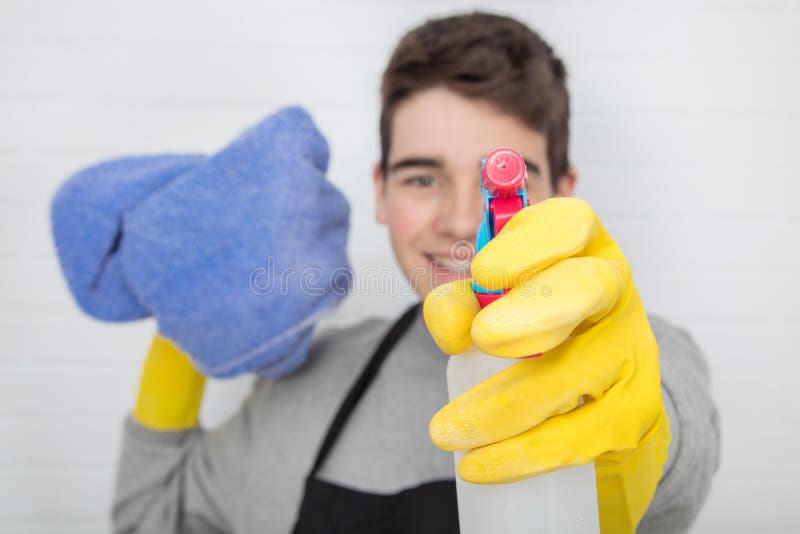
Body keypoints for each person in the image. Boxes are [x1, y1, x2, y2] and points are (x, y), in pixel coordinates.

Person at [111, 12, 720, 534]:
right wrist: (184, 319)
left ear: (564, 193)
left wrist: (647, 434)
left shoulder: (629, 347)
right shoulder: (307, 383)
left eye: (502, 183)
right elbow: (155, 516)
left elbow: (680, 439)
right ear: (380, 192)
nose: (461, 222)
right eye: (422, 178)